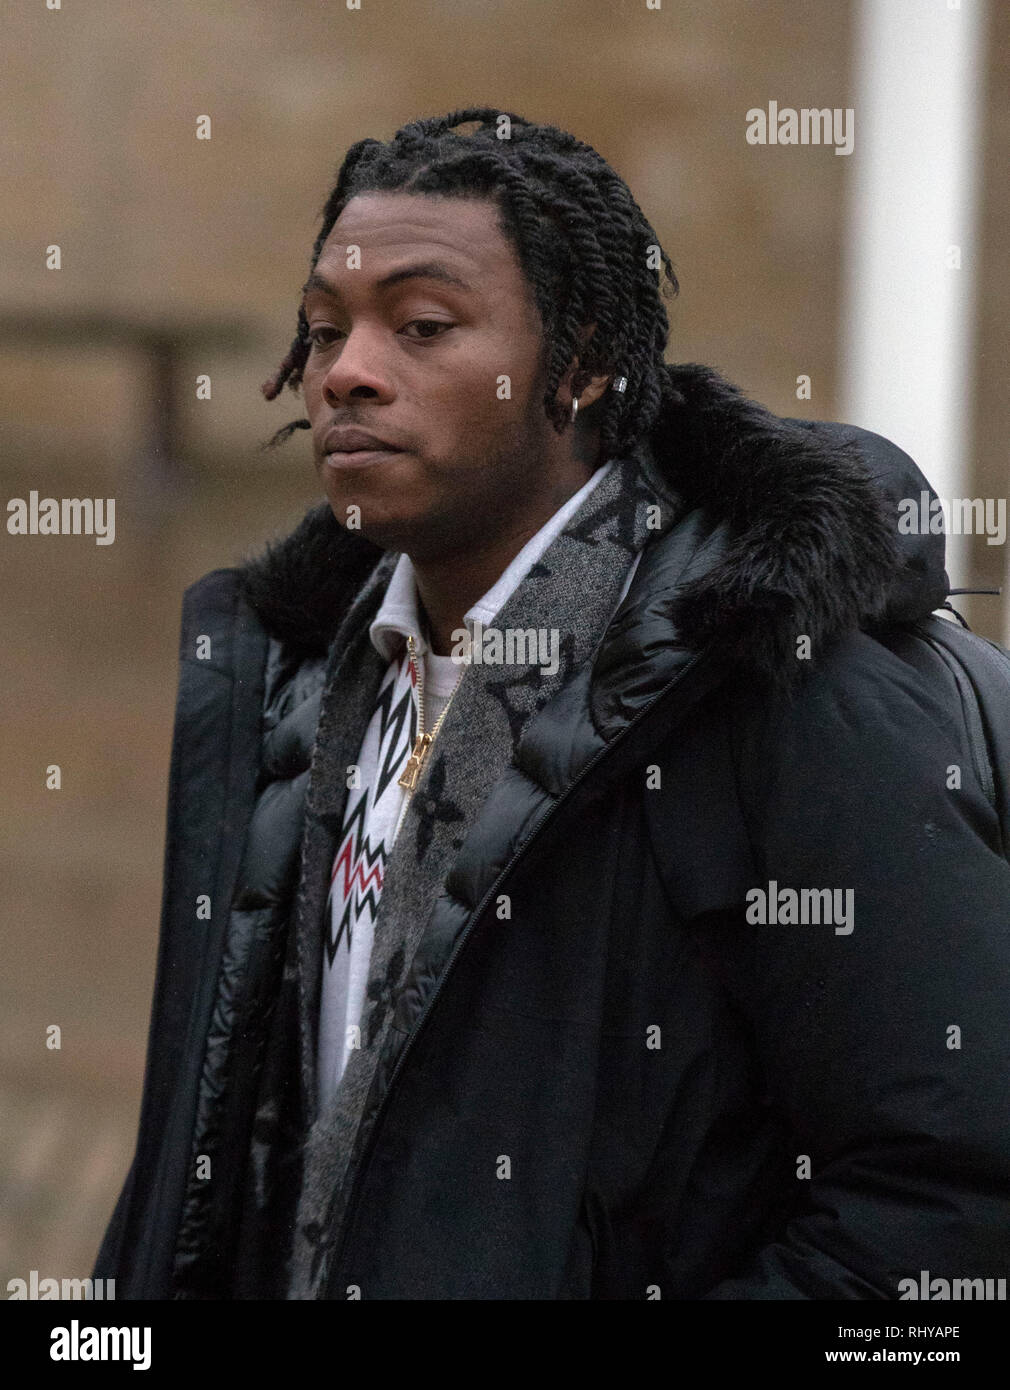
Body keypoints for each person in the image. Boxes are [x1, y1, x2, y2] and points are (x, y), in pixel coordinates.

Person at [95, 108, 1010, 1300]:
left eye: (421, 326)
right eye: (322, 330)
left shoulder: (777, 680)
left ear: (578, 366)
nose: (346, 371)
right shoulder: (285, 679)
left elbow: (948, 1202)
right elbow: (216, 1163)